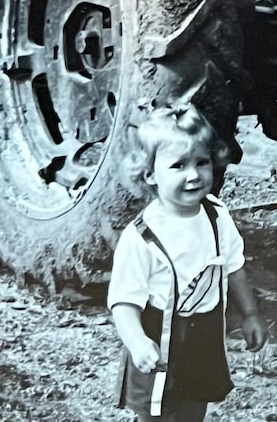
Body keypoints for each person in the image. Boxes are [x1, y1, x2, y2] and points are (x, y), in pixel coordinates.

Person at [108, 104, 268, 422]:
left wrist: (250, 313)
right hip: (158, 335)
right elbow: (123, 301)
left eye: (201, 162)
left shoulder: (216, 215)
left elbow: (233, 266)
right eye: (178, 165)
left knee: (194, 407)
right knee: (156, 412)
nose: (193, 175)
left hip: (202, 333)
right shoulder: (142, 236)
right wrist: (137, 341)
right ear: (150, 173)